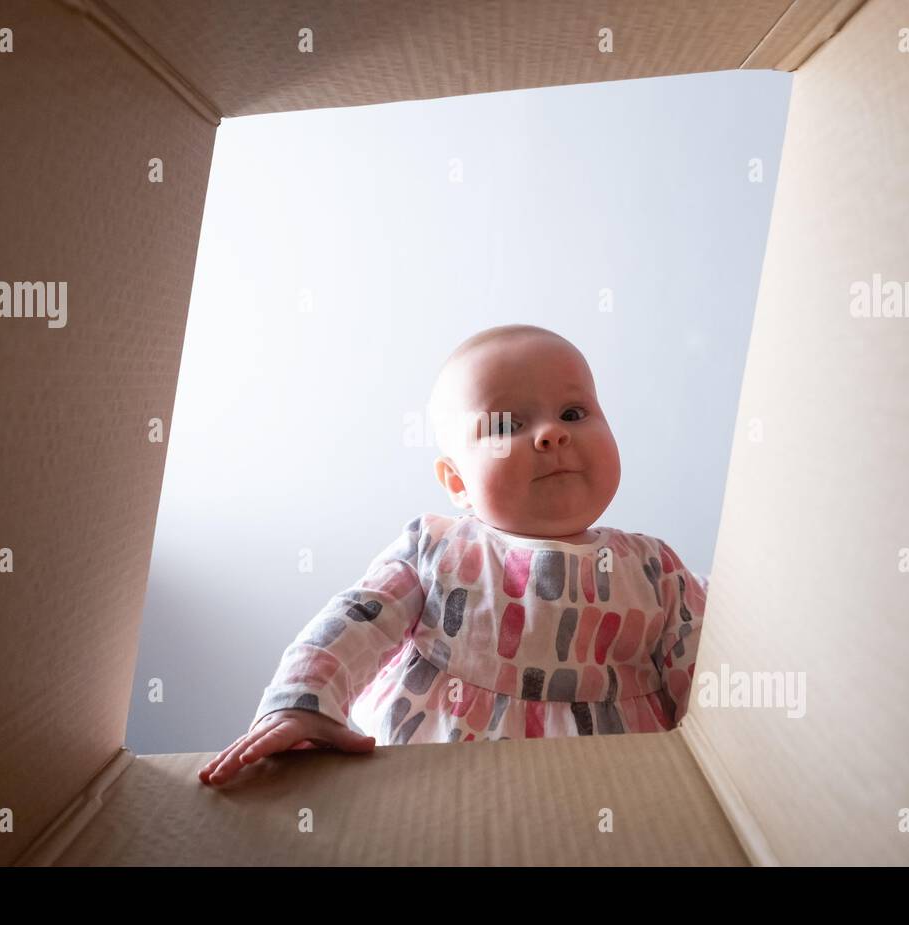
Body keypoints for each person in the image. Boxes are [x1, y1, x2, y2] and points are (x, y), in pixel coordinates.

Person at [200, 324, 708, 786]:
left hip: (618, 792)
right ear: (458, 482)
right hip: (450, 786)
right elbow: (357, 620)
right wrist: (302, 703)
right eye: (507, 426)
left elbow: (707, 676)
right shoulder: (438, 550)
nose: (552, 433)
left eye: (573, 413)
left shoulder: (655, 568)